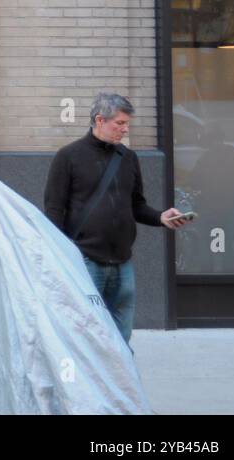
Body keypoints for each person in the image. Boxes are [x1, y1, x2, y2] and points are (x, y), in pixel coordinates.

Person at [45, 91, 188, 343]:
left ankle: (118, 378)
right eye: (120, 123)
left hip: (123, 262)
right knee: (83, 333)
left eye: (127, 124)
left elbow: (137, 205)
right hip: (84, 261)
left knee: (122, 336)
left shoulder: (128, 158)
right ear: (100, 120)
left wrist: (161, 217)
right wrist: (63, 256)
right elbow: (53, 211)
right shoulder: (68, 156)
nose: (125, 130)